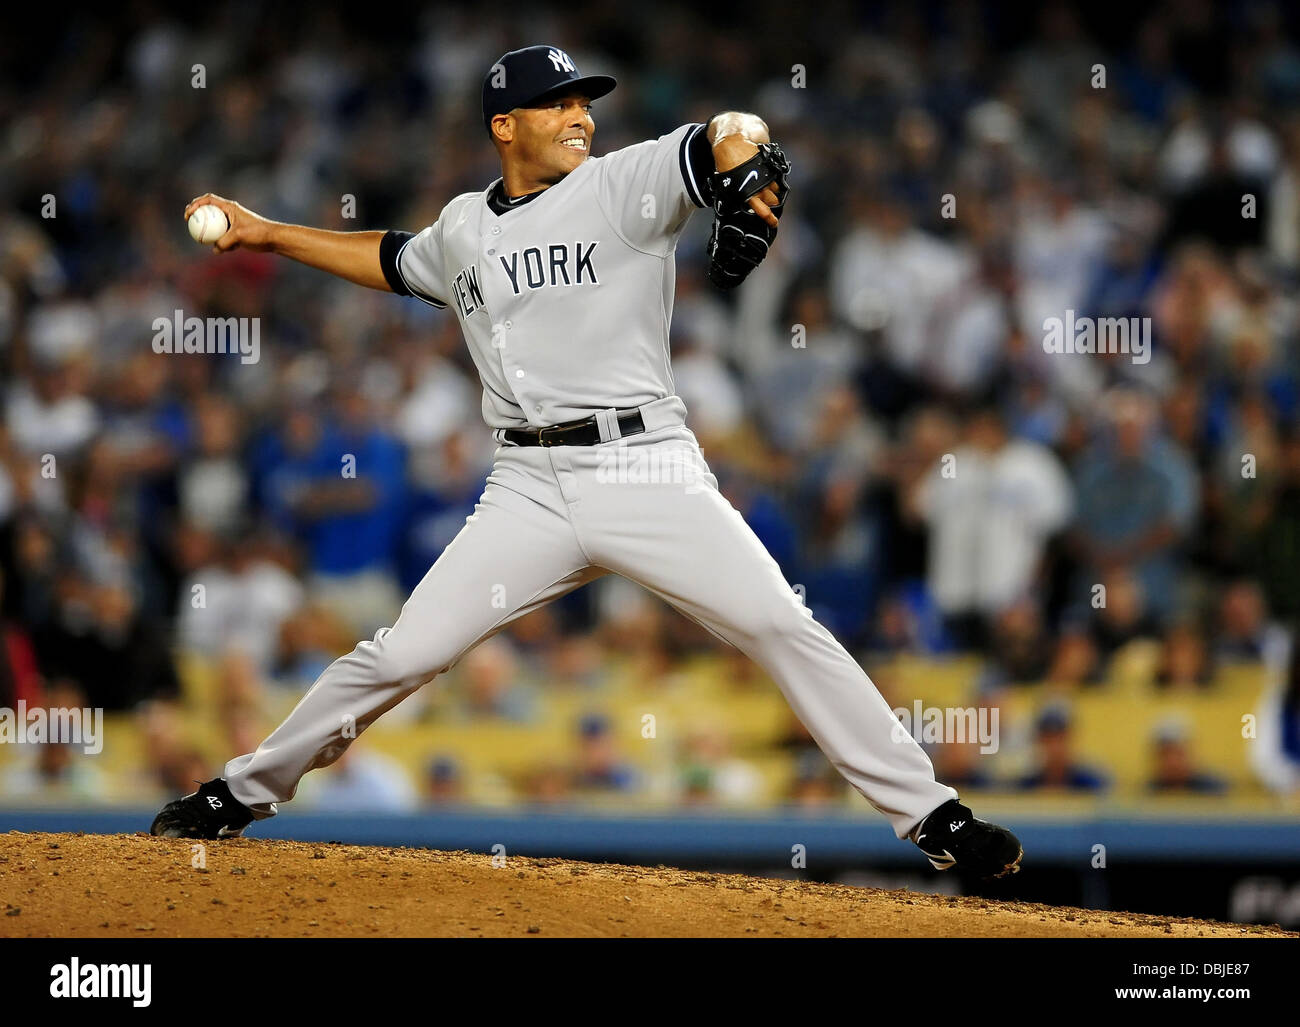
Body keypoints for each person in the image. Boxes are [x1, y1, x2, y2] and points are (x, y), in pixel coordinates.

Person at [150, 45, 1021, 879]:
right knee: (400, 654)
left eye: (584, 102)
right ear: (504, 125)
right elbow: (388, 257)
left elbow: (732, 126)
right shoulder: (462, 227)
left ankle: (933, 815)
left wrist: (747, 165)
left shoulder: (621, 185)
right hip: (525, 485)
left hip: (643, 464)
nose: (579, 116)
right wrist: (267, 236)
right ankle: (240, 791)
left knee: (777, 623)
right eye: (558, 103)